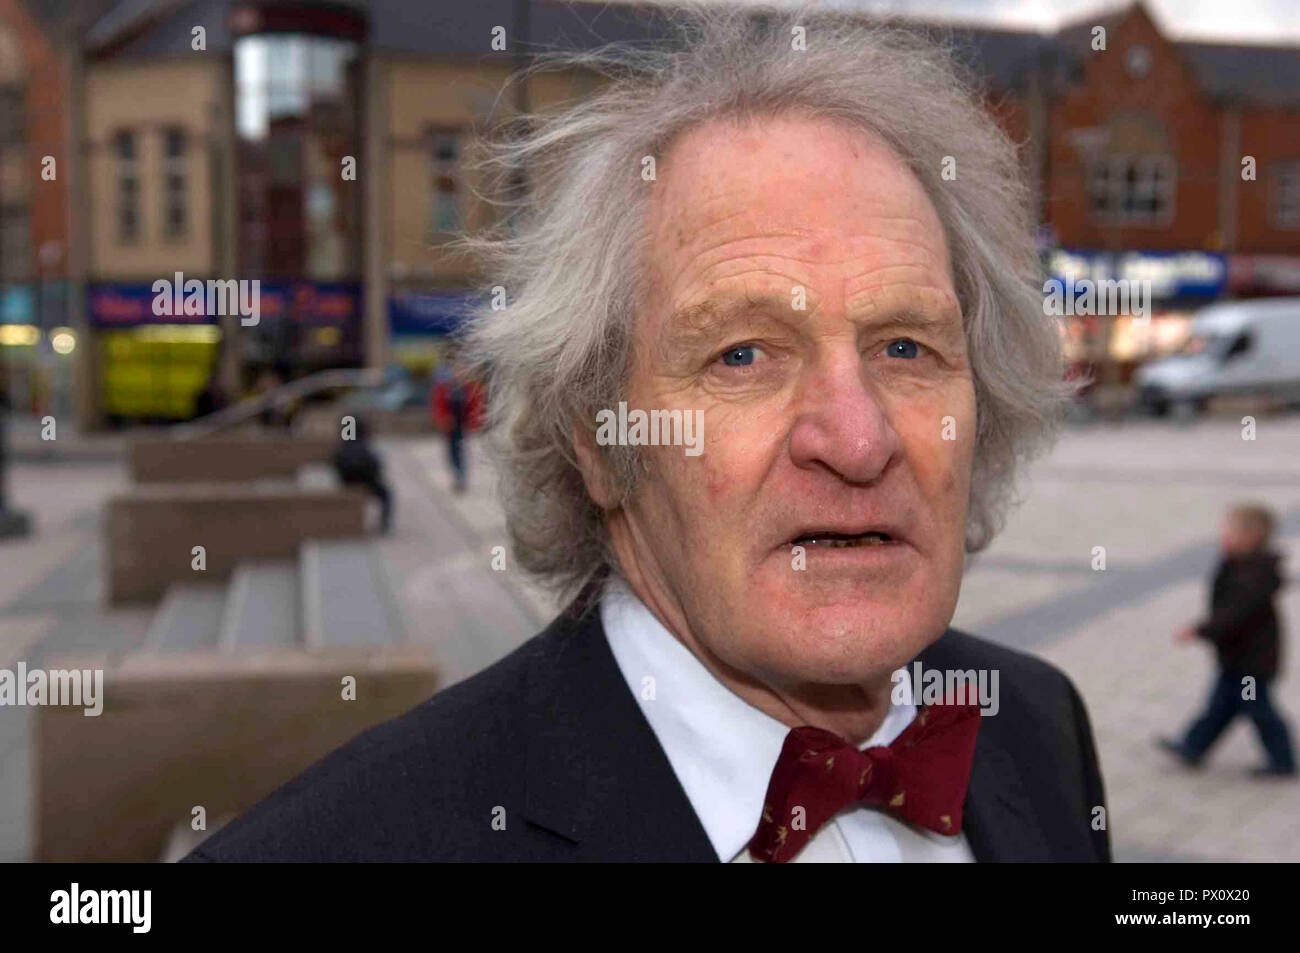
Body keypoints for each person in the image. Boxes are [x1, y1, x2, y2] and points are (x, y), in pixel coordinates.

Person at [186, 9, 1107, 863]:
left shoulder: (1036, 722)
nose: (857, 438)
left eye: (906, 345)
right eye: (742, 355)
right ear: (599, 439)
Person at [1159, 504, 1295, 777]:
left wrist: (1199, 630)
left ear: (1250, 537)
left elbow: (1233, 615)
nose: (1222, 536)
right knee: (1221, 706)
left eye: (1229, 531)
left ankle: (1283, 761)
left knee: (1259, 710)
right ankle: (1192, 746)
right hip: (1238, 660)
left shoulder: (1253, 575)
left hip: (1252, 665)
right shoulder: (1240, 565)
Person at [430, 354, 483, 494]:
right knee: (452, 451)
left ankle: (461, 476)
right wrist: (443, 419)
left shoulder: (469, 388)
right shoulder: (445, 388)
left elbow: (476, 406)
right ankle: (456, 473)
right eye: (456, 369)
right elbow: (438, 405)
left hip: (462, 425)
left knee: (462, 451)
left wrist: (474, 421)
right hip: (449, 426)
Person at [332, 416, 393, 533]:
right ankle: (384, 523)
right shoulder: (362, 444)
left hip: (346, 481)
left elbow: (336, 461)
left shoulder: (344, 444)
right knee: (386, 495)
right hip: (366, 481)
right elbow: (375, 465)